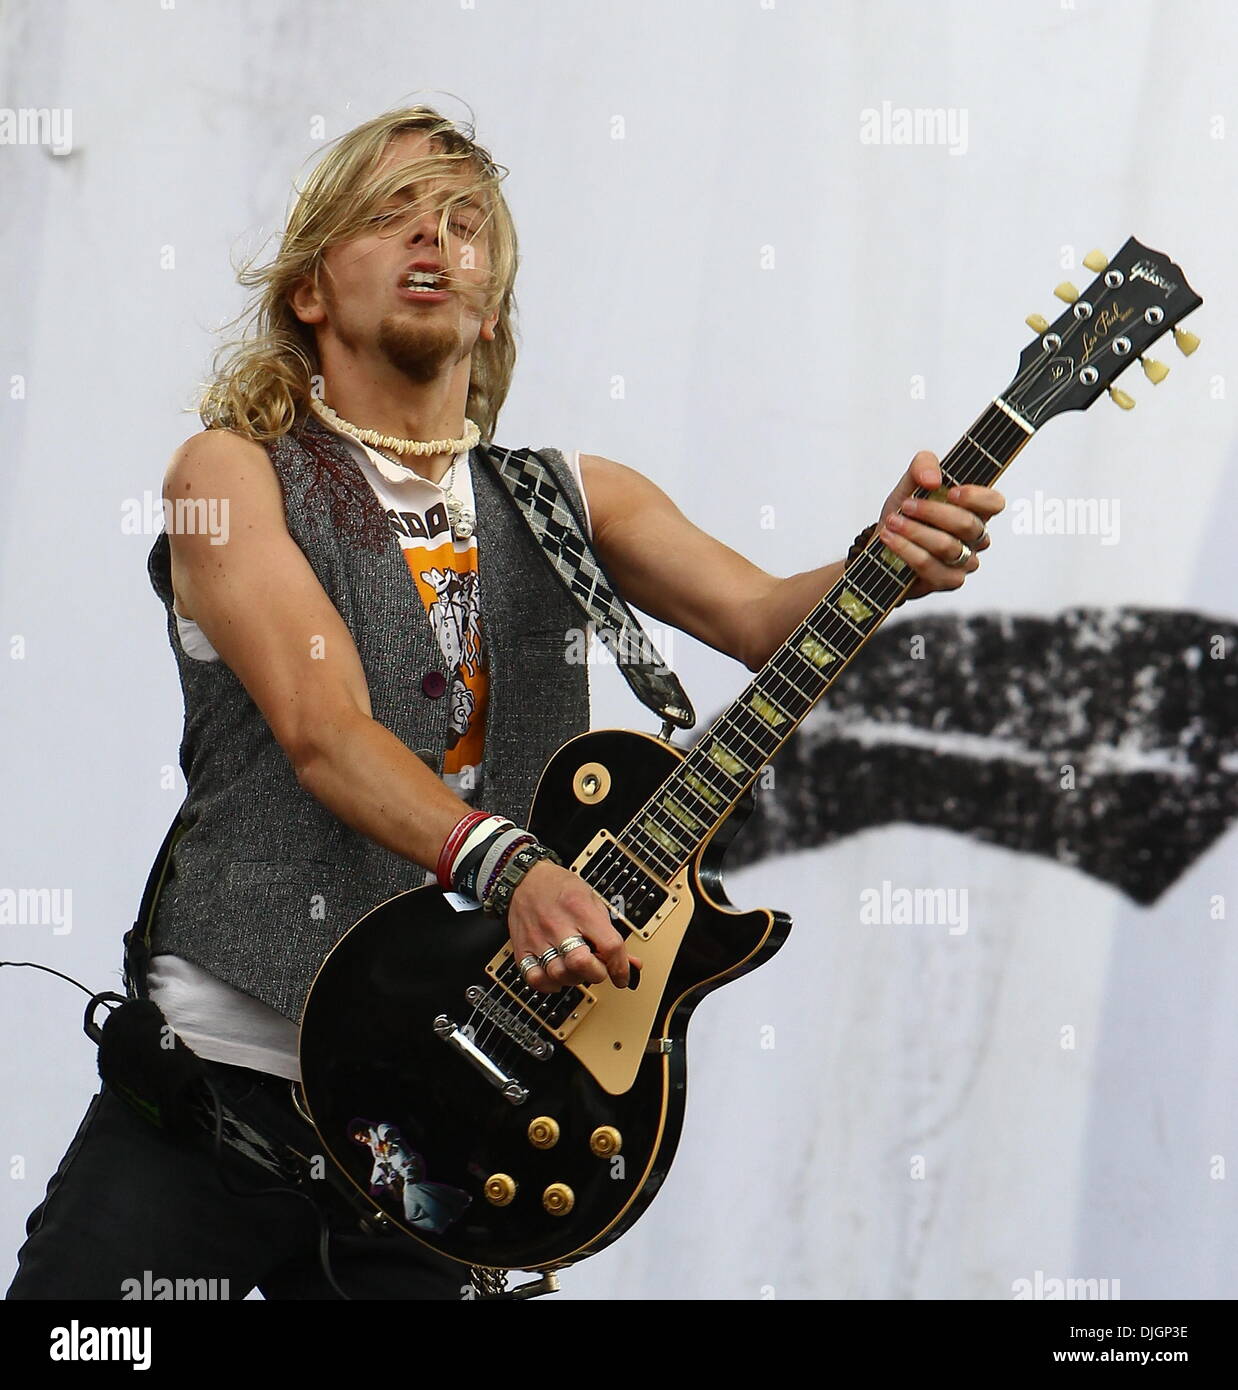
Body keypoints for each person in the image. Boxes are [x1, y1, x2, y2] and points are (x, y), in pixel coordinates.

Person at [6, 106, 1004, 1301]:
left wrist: (886, 553)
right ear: (312, 289)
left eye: (465, 224)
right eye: (392, 216)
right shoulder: (229, 476)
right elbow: (325, 732)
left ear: (491, 303)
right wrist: (517, 870)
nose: (435, 241)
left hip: (445, 1147)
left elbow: (760, 619)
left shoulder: (569, 496)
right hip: (210, 1114)